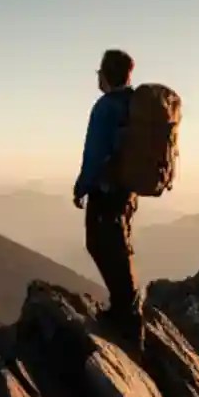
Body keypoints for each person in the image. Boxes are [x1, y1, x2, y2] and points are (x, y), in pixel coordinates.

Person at [73, 49, 143, 346]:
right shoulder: (134, 104)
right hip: (127, 191)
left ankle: (127, 314)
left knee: (102, 244)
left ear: (106, 74)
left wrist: (81, 187)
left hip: (107, 190)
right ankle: (126, 308)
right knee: (117, 244)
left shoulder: (106, 107)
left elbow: (95, 152)